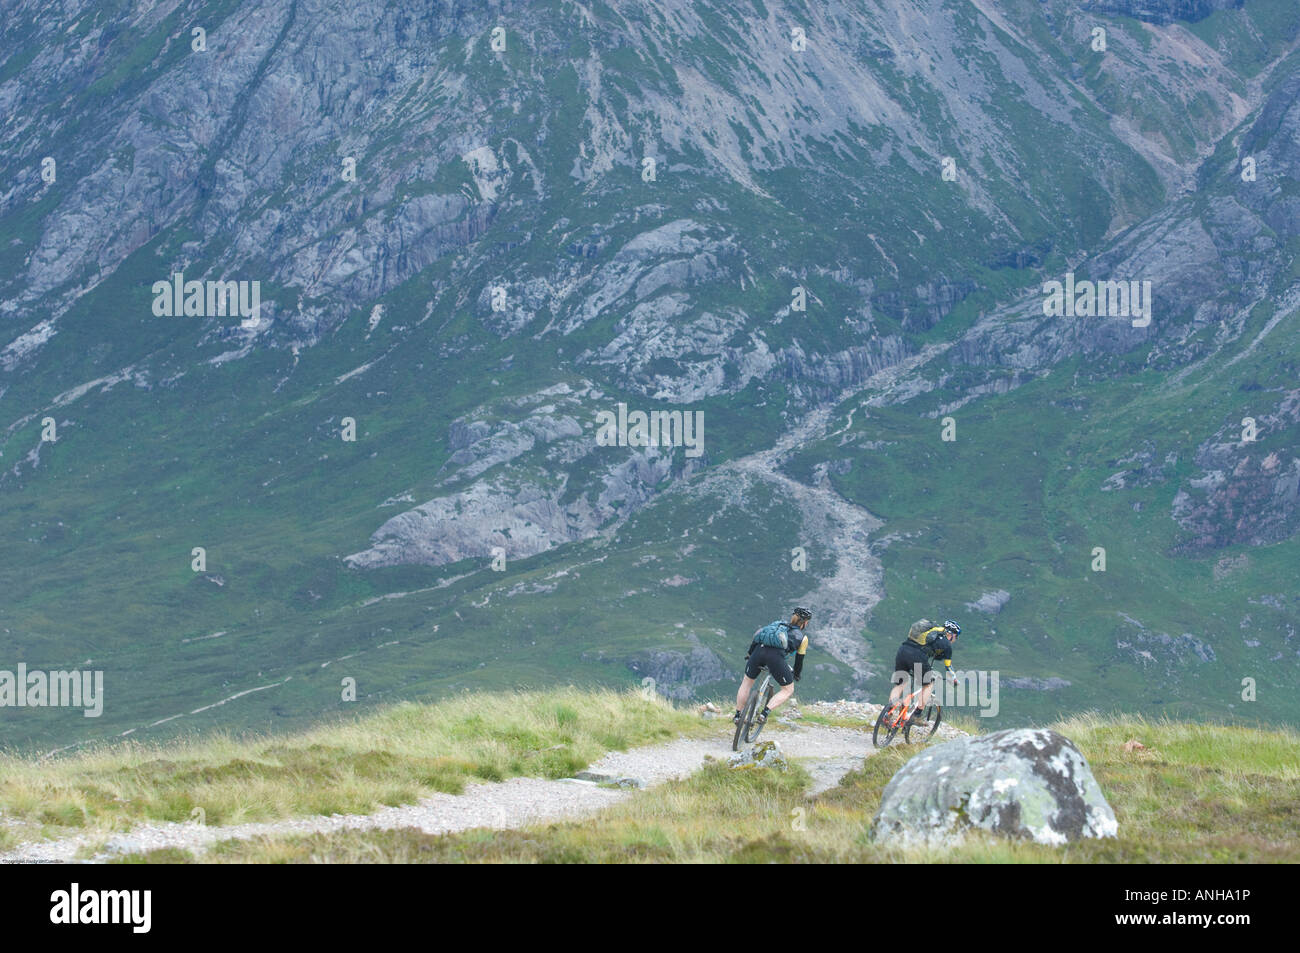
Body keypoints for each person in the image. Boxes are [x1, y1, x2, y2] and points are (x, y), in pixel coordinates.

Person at [734, 607, 812, 726]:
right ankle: (763, 714)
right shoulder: (803, 638)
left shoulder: (777, 625)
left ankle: (738, 715)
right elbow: (799, 660)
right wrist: (796, 674)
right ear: (805, 623)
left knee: (746, 682)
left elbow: (757, 637)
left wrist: (750, 654)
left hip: (758, 652)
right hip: (775, 658)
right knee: (788, 690)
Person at [889, 619, 961, 721]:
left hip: (903, 650)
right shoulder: (946, 644)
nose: (955, 640)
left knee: (900, 684)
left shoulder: (931, 630)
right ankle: (916, 716)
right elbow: (948, 666)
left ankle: (888, 713)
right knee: (928, 684)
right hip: (917, 657)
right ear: (952, 635)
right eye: (956, 637)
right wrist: (954, 679)